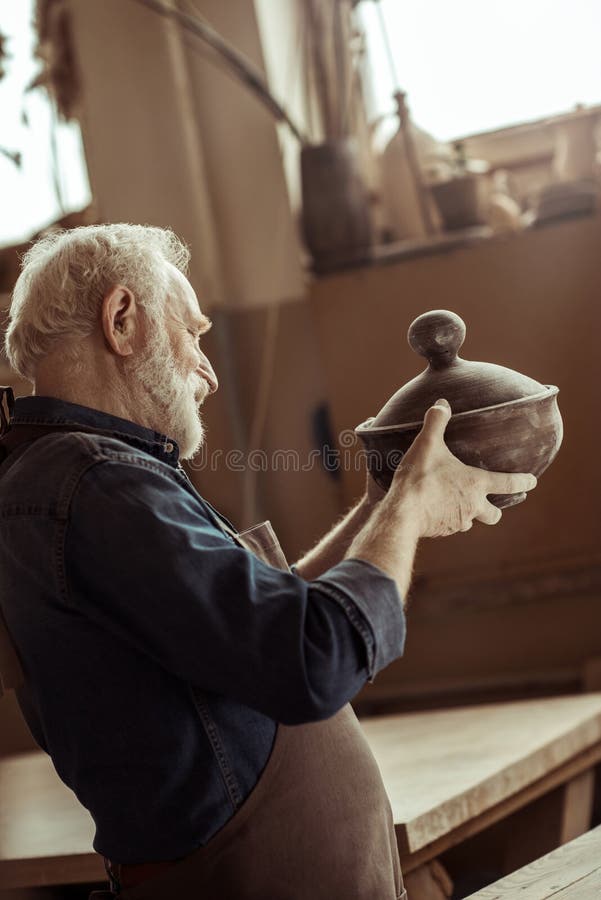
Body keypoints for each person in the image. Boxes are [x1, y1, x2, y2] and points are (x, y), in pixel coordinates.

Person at [0, 224, 536, 900]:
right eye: (192, 333)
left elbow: (269, 626)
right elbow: (311, 660)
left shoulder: (79, 476)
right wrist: (411, 507)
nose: (209, 370)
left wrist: (383, 500)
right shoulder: (97, 484)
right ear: (122, 318)